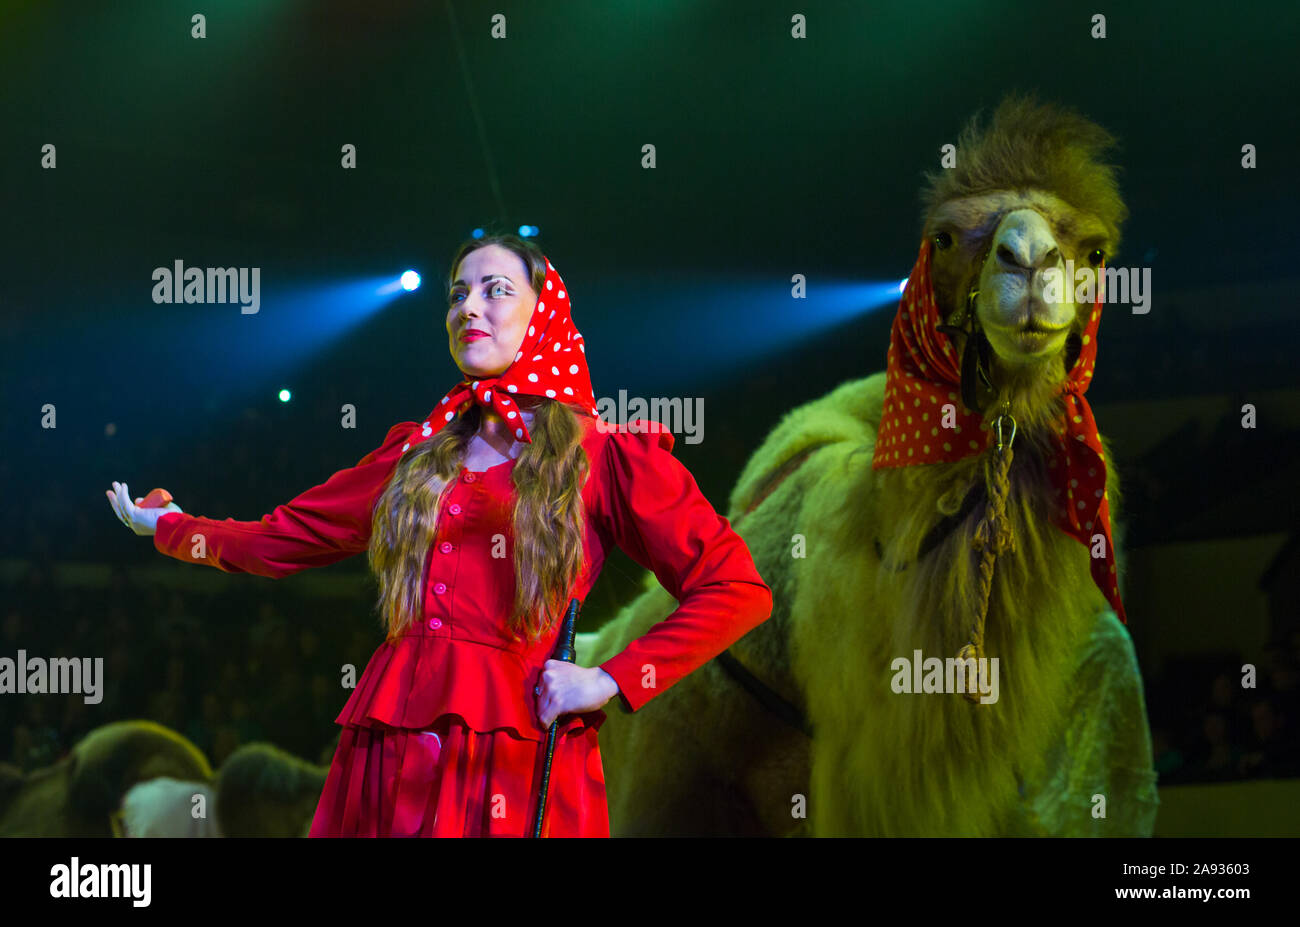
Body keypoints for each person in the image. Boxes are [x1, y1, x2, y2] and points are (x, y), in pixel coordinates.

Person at [106, 233, 773, 836]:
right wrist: (168, 526)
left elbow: (737, 588)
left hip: (512, 755)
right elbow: (281, 538)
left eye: (495, 290)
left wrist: (607, 678)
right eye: (457, 293)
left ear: (544, 313)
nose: (467, 307)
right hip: (389, 747)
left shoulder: (603, 455)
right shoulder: (417, 451)